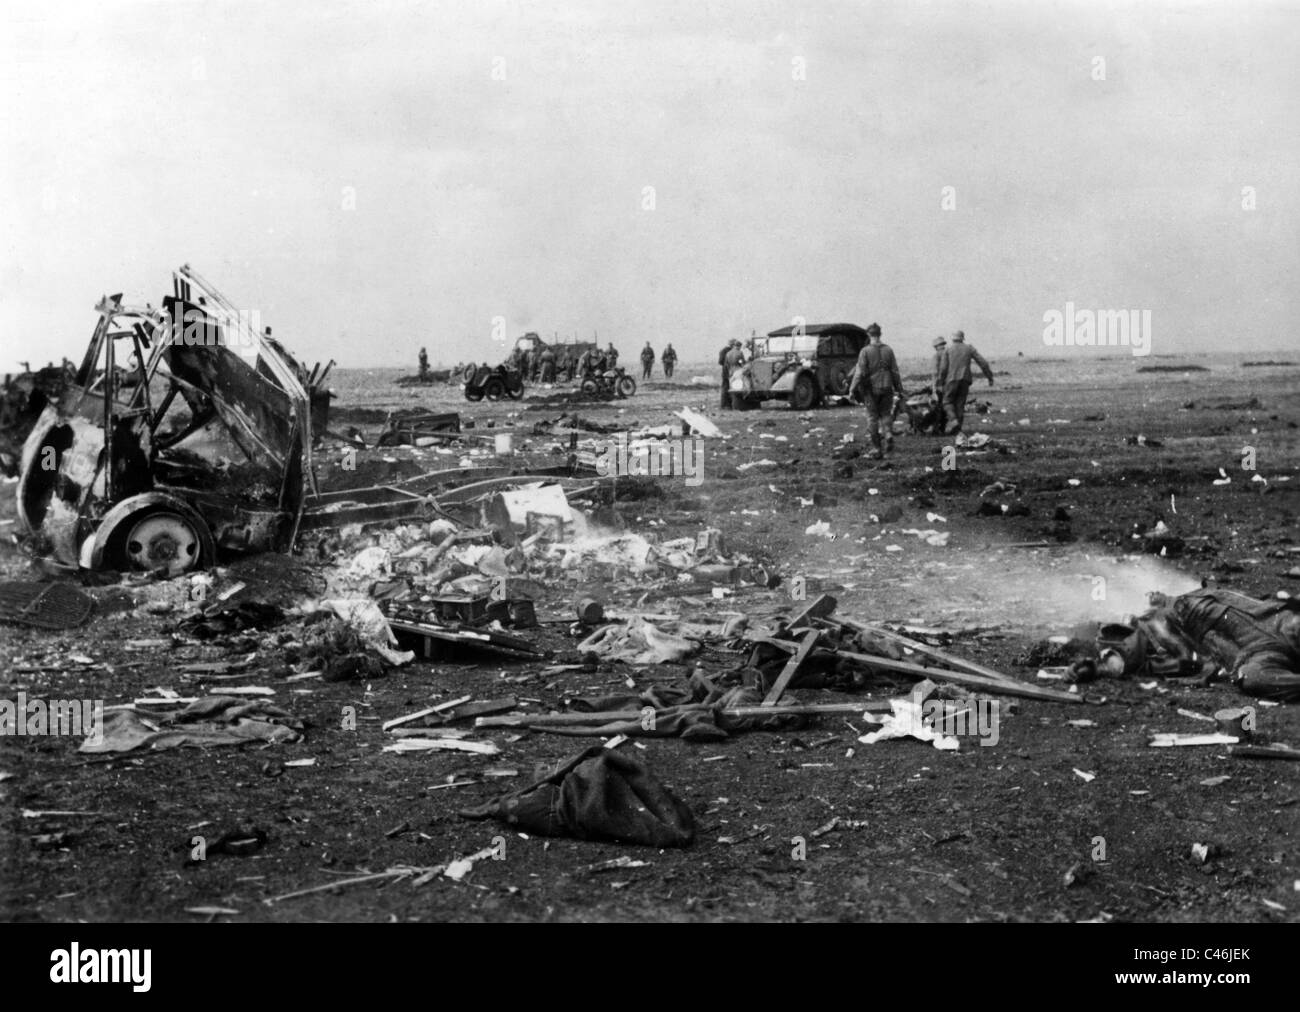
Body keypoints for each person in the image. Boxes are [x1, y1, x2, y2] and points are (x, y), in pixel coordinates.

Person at [849, 323, 904, 458]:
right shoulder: (888, 350)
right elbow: (895, 372)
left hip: (871, 390)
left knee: (872, 417)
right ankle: (889, 434)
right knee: (886, 414)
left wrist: (852, 389)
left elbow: (859, 373)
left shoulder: (865, 351)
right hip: (887, 387)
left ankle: (876, 448)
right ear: (880, 334)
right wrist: (899, 388)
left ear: (869, 335)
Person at [937, 329, 994, 434]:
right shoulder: (969, 348)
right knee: (960, 404)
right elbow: (983, 363)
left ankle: (954, 421)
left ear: (953, 338)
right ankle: (958, 430)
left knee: (947, 402)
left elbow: (943, 368)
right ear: (962, 338)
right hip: (965, 380)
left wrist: (940, 383)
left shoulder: (948, 350)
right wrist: (989, 377)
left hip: (951, 379)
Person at [722, 339, 746, 411]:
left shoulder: (728, 353)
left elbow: (726, 364)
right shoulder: (739, 353)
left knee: (732, 388)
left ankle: (732, 405)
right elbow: (742, 362)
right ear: (739, 346)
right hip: (738, 371)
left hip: (730, 372)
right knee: (739, 387)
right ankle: (739, 405)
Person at [718, 339, 737, 409]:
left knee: (727, 387)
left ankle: (727, 405)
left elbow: (720, 362)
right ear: (732, 344)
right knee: (726, 387)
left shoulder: (723, 350)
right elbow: (721, 361)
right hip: (728, 372)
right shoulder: (727, 351)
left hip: (727, 371)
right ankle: (725, 405)